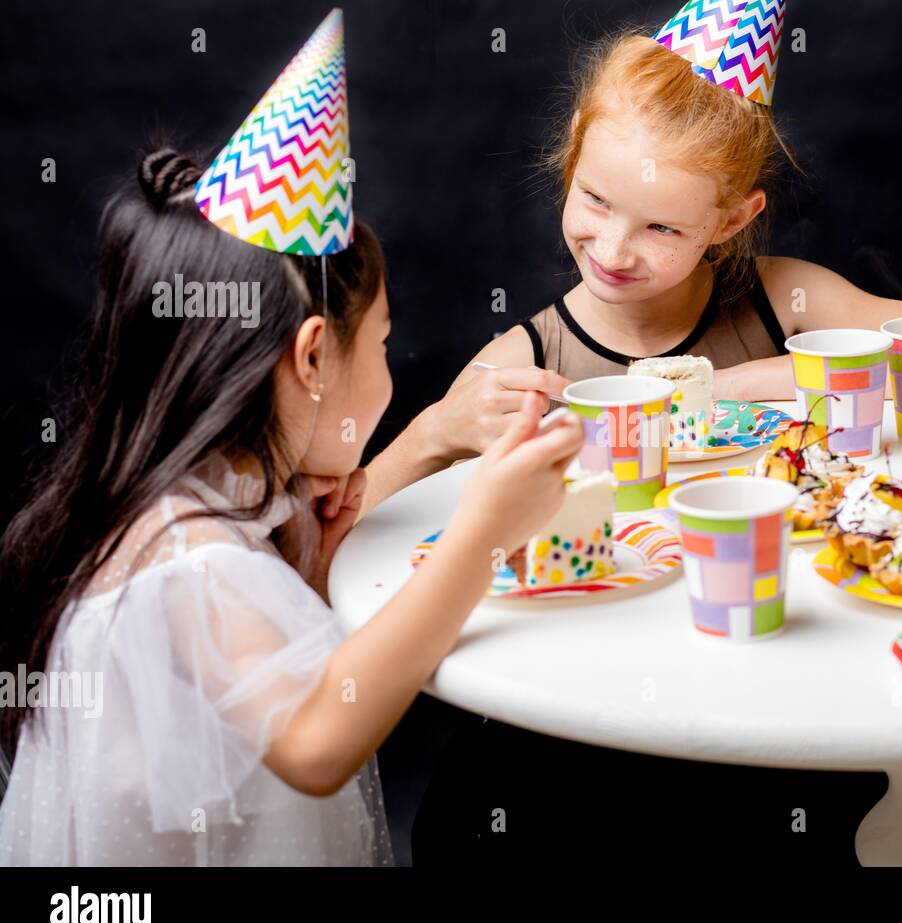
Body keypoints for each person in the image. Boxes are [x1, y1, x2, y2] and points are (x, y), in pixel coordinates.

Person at [0, 147, 584, 865]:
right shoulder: (190, 559)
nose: (389, 365)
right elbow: (314, 744)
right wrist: (485, 531)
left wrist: (307, 579)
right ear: (312, 357)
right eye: (383, 341)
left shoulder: (192, 502)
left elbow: (236, 698)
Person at [360, 30, 902, 513]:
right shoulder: (524, 359)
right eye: (595, 200)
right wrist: (432, 435)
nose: (612, 252)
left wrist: (728, 386)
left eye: (662, 228)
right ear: (570, 165)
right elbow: (344, 545)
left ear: (729, 220)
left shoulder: (783, 297)